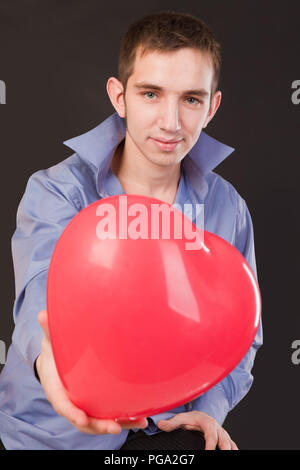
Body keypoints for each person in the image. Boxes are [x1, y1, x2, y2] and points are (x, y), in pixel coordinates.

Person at [0, 11, 262, 450]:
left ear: (212, 106)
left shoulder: (227, 208)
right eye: (151, 94)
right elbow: (39, 301)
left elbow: (242, 334)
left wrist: (209, 408)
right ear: (119, 97)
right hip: (50, 434)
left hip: (168, 433)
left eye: (191, 99)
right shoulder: (57, 191)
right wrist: (56, 375)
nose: (171, 122)